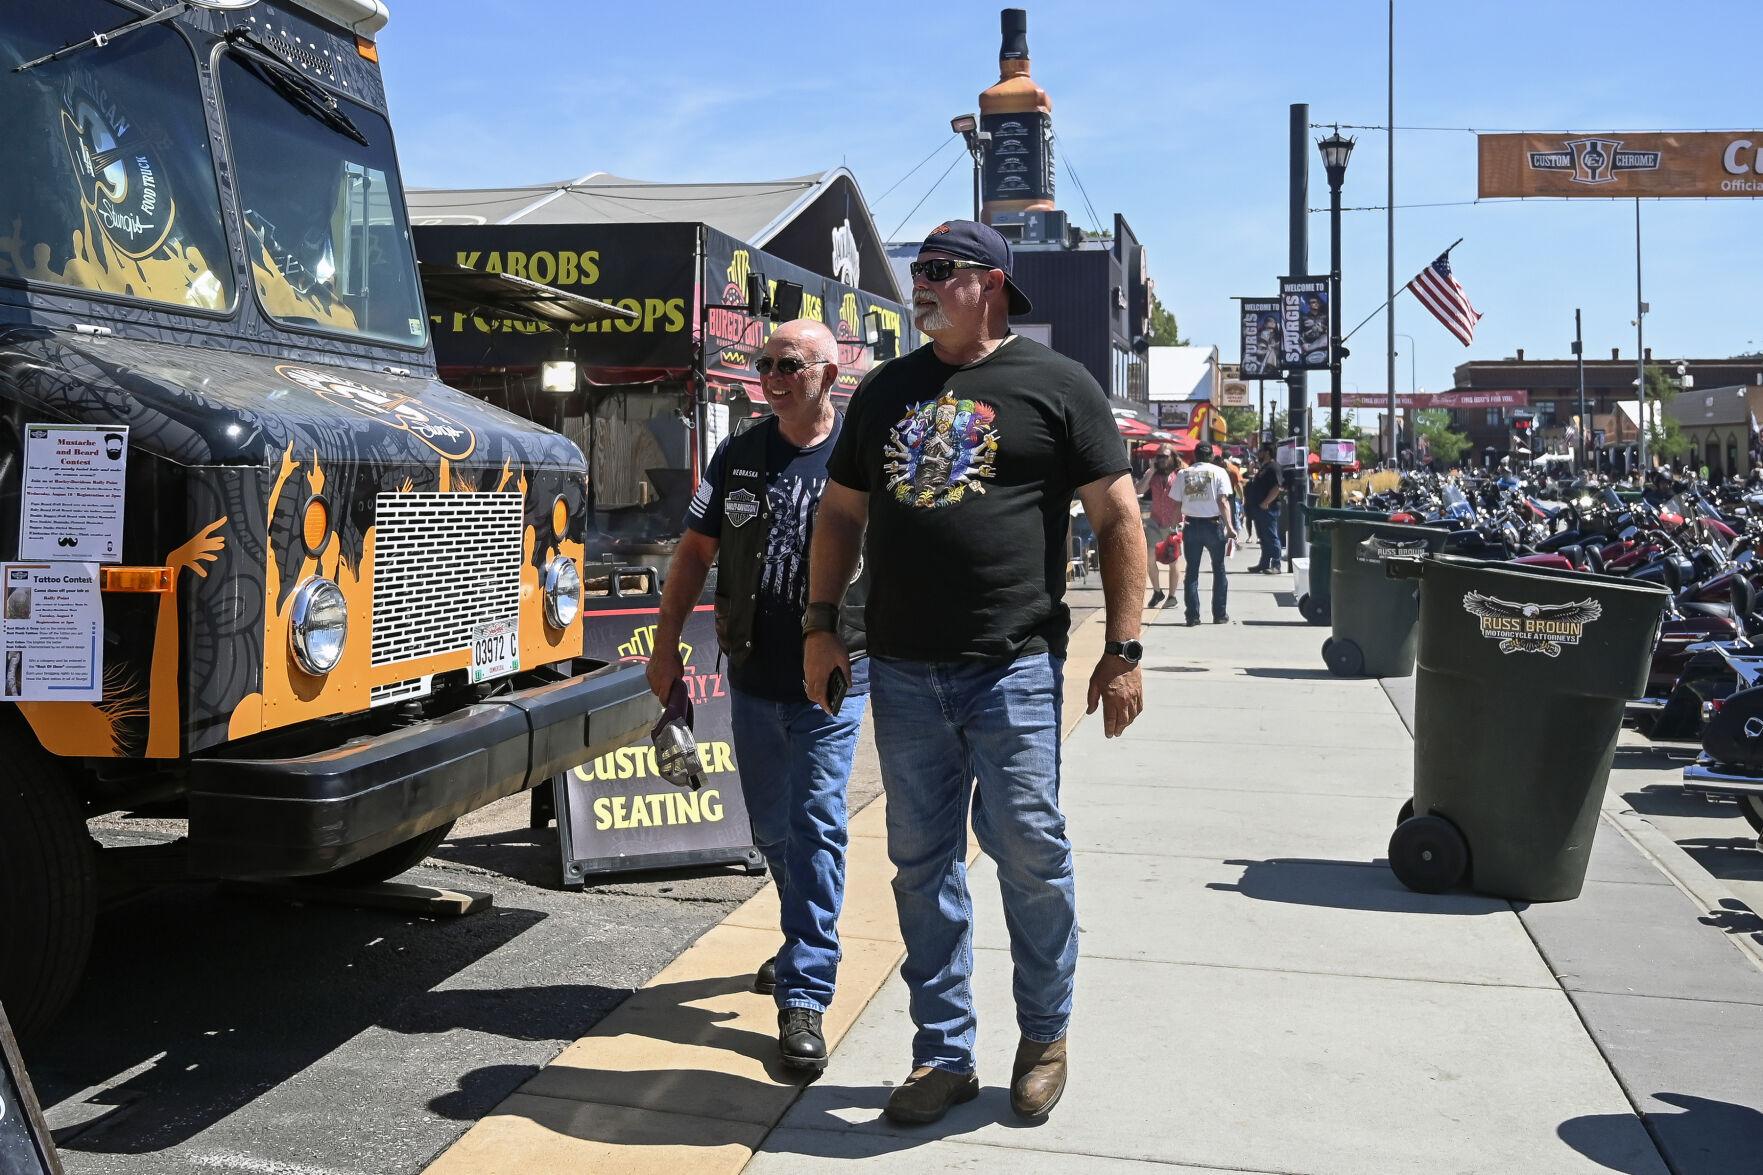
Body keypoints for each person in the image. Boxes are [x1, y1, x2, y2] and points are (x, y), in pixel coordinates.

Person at [803, 219, 1145, 1126]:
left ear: (991, 283)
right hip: (906, 670)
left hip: (1014, 666)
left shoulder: (1057, 384)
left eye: (938, 271)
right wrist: (820, 623)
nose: (919, 285)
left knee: (1028, 850)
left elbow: (1116, 517)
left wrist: (1123, 648)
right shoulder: (887, 389)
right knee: (920, 866)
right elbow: (839, 516)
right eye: (917, 271)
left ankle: (1043, 1037)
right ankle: (942, 1053)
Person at [647, 318, 867, 1074]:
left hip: (833, 676)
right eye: (761, 361)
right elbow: (694, 551)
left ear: (827, 376)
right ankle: (801, 931)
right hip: (752, 670)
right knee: (771, 825)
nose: (768, 374)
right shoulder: (738, 454)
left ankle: (805, 988)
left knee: (814, 823)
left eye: (786, 363)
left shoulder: (858, 454)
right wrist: (664, 639)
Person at [1172, 442, 1237, 624]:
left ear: (1195, 455)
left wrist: (1173, 526)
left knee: (1191, 572)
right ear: (1210, 456)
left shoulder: (1184, 474)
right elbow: (1223, 501)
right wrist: (1230, 527)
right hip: (1213, 524)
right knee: (1219, 569)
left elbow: (1176, 504)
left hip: (1191, 526)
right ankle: (1219, 614)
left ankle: (1192, 616)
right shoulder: (1219, 472)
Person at [1135, 449, 1179, 606]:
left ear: (1172, 457)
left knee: (1173, 560)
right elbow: (1139, 490)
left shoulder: (1179, 474)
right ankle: (1157, 591)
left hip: (1173, 522)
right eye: (1158, 456)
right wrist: (1152, 469)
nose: (1161, 459)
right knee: (1150, 558)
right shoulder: (1152, 474)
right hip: (1155, 521)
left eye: (1164, 456)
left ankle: (1172, 596)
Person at [1246, 443, 1284, 573]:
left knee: (1271, 536)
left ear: (1267, 452)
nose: (1258, 453)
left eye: (1260, 451)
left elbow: (1277, 487)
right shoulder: (1264, 468)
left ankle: (1276, 565)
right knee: (1263, 537)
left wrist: (1266, 502)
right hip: (1259, 508)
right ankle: (1264, 563)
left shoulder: (1274, 467)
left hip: (1269, 508)